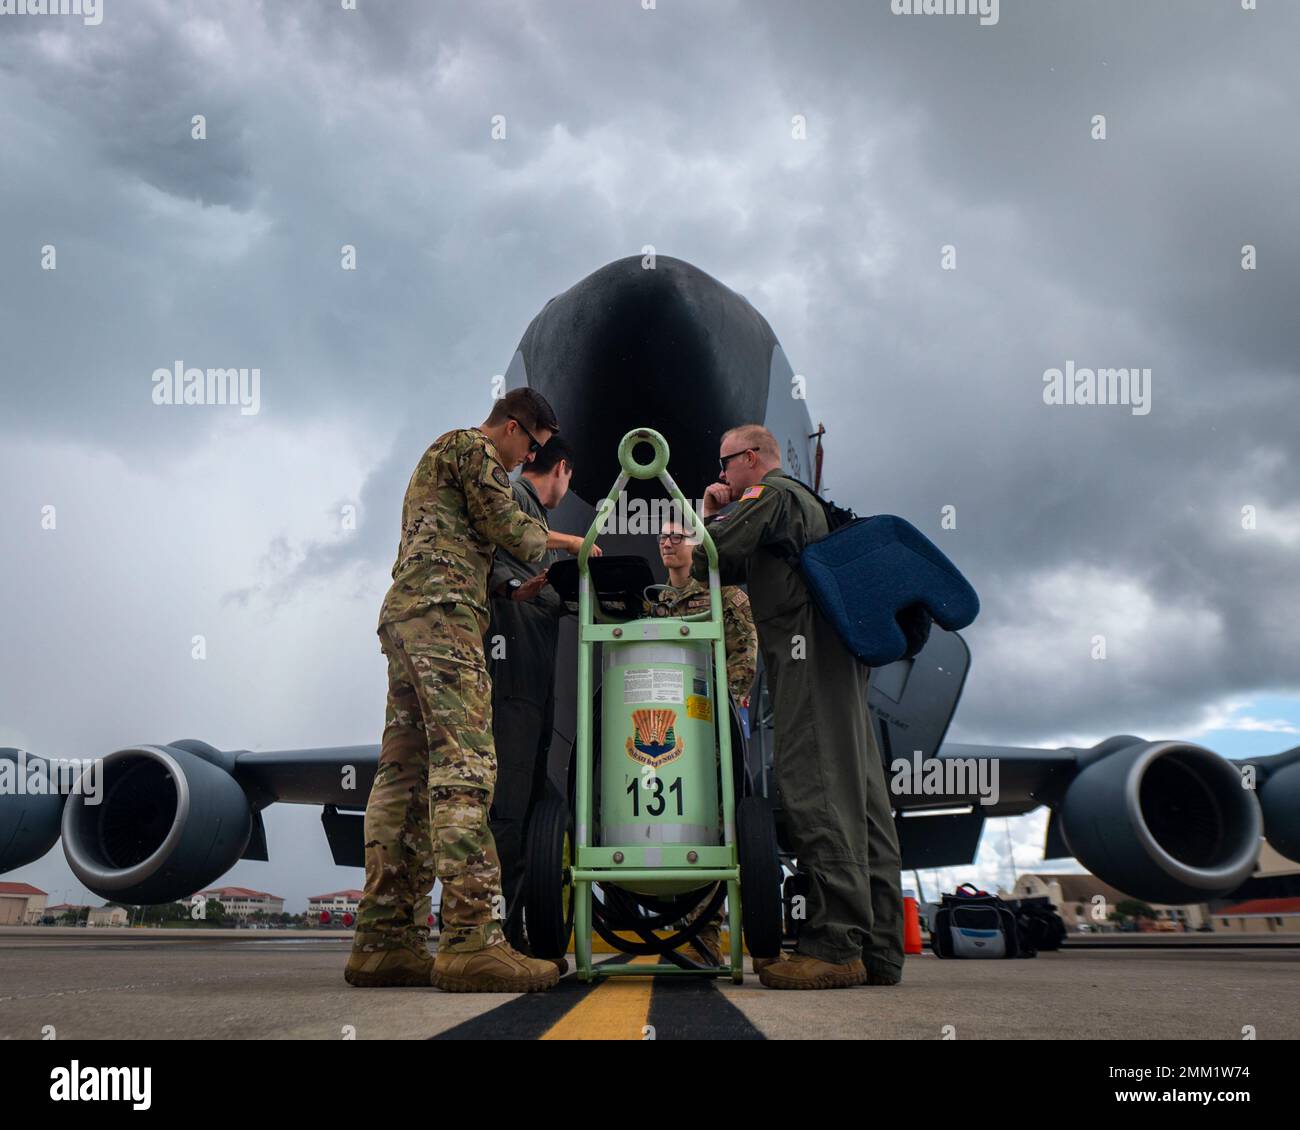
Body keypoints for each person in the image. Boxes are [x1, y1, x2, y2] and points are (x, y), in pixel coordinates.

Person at [344, 387, 564, 993]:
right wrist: (574, 544)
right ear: (514, 426)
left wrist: (503, 592)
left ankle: (384, 942)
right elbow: (506, 524)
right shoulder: (473, 447)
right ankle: (473, 938)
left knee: (402, 779)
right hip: (443, 620)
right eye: (531, 448)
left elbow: (456, 540)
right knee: (466, 767)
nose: (526, 462)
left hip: (411, 614)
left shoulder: (443, 455)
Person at [690, 424, 904, 989]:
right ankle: (880, 949)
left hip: (805, 653)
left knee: (817, 783)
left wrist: (711, 512)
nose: (722, 474)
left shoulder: (773, 495)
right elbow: (740, 569)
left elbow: (712, 557)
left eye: (727, 462)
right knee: (861, 797)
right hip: (836, 655)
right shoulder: (802, 503)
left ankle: (834, 946)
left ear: (754, 458)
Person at [485, 436, 599, 962]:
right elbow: (510, 558)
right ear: (563, 471)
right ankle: (494, 933)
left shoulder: (526, 512)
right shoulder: (514, 499)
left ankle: (516, 933)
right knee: (507, 807)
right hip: (512, 680)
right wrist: (573, 544)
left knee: (529, 803)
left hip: (531, 678)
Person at [650, 516, 757, 965]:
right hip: (665, 729)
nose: (668, 543)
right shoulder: (654, 602)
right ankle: (672, 920)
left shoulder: (725, 596)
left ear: (699, 545)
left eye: (679, 536)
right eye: (663, 536)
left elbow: (743, 654)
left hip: (710, 724)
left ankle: (705, 931)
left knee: (711, 820)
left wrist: (726, 709)